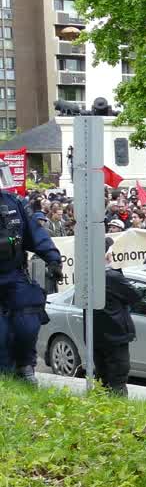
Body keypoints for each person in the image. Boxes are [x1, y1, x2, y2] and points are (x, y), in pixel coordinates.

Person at [0, 160, 62, 380]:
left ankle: (25, 367)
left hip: (14, 274)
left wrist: (53, 259)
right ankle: (5, 378)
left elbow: (36, 234)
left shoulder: (13, 203)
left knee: (27, 322)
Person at [93, 236, 141, 395]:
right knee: (118, 381)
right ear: (106, 255)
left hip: (96, 336)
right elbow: (135, 296)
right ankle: (118, 417)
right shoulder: (112, 277)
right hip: (115, 335)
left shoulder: (89, 274)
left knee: (102, 379)